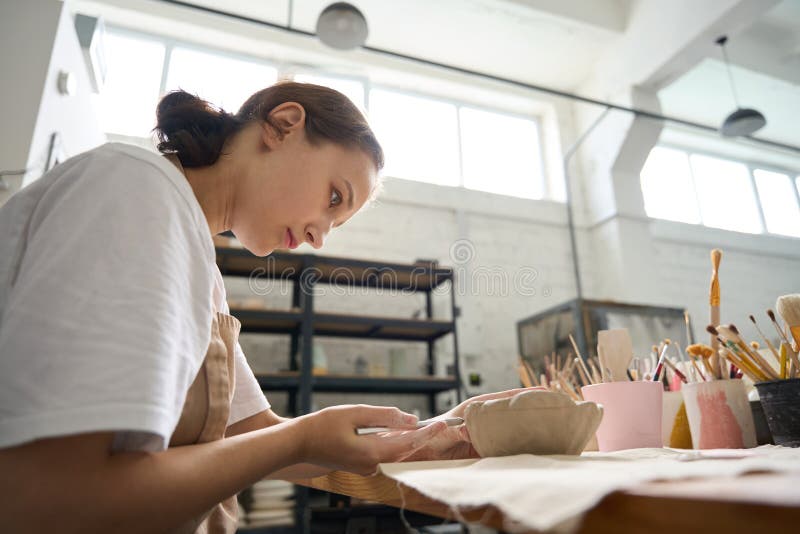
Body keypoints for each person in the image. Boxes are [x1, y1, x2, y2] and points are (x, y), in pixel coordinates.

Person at [0, 82, 528, 533]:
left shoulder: (196, 262)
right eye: (334, 199)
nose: (321, 236)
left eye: (336, 223)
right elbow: (45, 498)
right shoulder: (134, 189)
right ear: (283, 124)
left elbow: (252, 433)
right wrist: (301, 436)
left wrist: (430, 436)